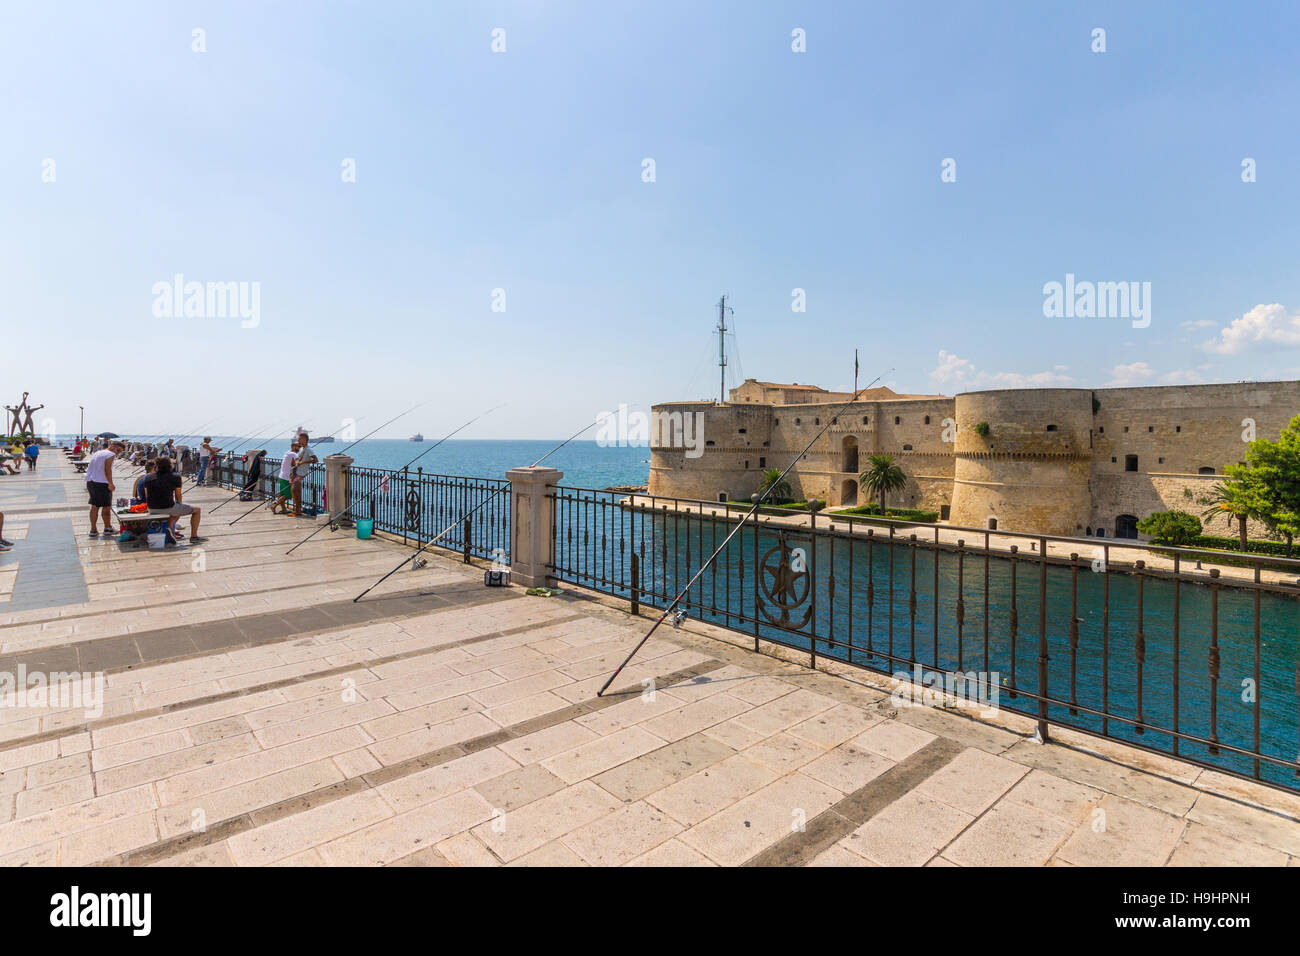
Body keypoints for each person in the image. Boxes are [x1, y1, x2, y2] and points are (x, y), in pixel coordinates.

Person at [141, 456, 204, 543]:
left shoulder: (148, 477)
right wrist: (179, 505)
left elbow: (147, 495)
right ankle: (194, 537)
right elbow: (178, 495)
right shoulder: (176, 476)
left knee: (174, 510)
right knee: (197, 510)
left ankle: (170, 530)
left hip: (151, 508)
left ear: (157, 466)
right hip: (168, 507)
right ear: (170, 466)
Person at [85, 440, 122, 537]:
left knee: (94, 506)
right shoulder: (110, 454)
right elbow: (107, 470)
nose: (118, 453)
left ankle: (93, 530)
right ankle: (107, 528)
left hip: (90, 482)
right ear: (113, 446)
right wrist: (110, 483)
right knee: (106, 507)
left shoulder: (98, 452)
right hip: (102, 483)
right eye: (118, 450)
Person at [291, 431, 318, 517]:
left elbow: (315, 460)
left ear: (305, 439)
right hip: (297, 471)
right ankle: (298, 510)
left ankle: (298, 511)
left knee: (295, 490)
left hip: (301, 472)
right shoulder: (302, 448)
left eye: (300, 439)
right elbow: (299, 458)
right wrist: (296, 461)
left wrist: (303, 462)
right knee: (295, 491)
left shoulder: (308, 449)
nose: (298, 440)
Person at [271, 441, 299, 515]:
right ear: (293, 446)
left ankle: (284, 509)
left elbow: (292, 463)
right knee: (288, 495)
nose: (299, 448)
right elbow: (298, 462)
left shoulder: (287, 453)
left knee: (282, 494)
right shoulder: (294, 454)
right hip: (286, 477)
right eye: (298, 446)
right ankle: (274, 505)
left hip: (281, 476)